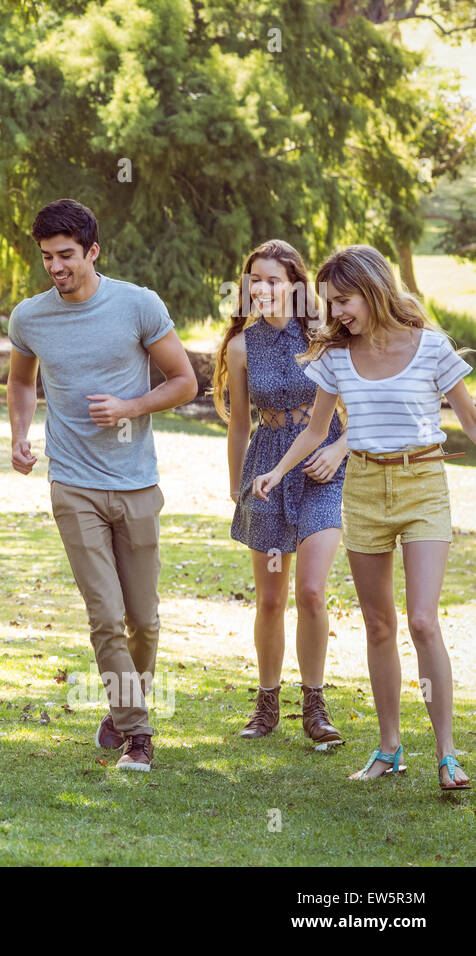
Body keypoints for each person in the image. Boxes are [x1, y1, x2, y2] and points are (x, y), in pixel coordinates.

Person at [254, 245, 472, 791]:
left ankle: (447, 753)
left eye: (344, 300)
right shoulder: (336, 357)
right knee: (378, 624)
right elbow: (313, 430)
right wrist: (277, 472)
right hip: (364, 488)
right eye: (330, 304)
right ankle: (390, 748)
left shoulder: (433, 348)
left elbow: (470, 419)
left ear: (373, 288)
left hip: (423, 484)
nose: (338, 314)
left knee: (422, 619)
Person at [7, 198, 197, 772]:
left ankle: (120, 710)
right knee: (106, 616)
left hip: (136, 482)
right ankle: (138, 735)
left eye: (67, 256)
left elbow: (186, 381)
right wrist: (19, 433)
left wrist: (130, 406)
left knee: (145, 620)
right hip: (73, 484)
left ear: (93, 251)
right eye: (46, 258)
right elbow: (21, 381)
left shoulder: (138, 305)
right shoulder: (29, 317)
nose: (56, 268)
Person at [214, 240, 347, 744]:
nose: (263, 288)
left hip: (323, 468)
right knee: (270, 600)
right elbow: (239, 425)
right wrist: (235, 486)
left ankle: (314, 705)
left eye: (274, 280)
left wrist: (341, 451)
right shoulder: (242, 345)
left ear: (295, 284)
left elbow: (359, 402)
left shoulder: (324, 335)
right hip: (266, 470)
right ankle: (266, 704)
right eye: (255, 279)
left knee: (311, 590)